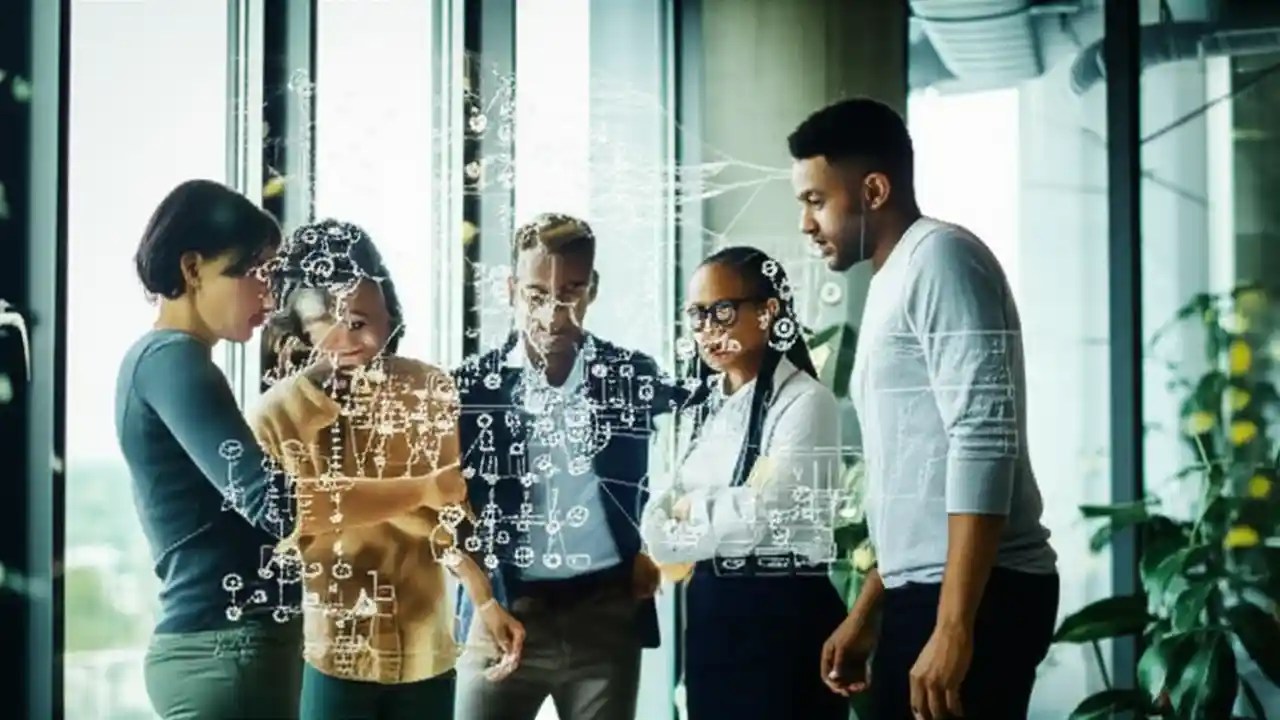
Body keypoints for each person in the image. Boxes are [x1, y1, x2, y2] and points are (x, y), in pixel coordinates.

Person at [789, 97, 1060, 720]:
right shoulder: (893, 278)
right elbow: (917, 477)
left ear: (875, 189)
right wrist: (868, 607)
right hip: (931, 591)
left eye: (815, 200)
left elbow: (983, 437)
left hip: (980, 592)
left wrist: (956, 625)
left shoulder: (941, 257)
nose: (806, 222)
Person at [248, 219, 525, 720]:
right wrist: (415, 495)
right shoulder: (275, 414)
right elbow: (286, 529)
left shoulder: (430, 388)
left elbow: (449, 518)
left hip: (427, 651)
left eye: (361, 321)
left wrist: (485, 602)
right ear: (302, 324)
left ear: (389, 313)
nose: (348, 339)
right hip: (331, 653)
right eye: (328, 323)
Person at [451, 213, 685, 720]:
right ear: (512, 289)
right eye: (536, 294)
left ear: (592, 289)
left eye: (571, 292)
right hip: (504, 610)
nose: (553, 314)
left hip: (606, 612)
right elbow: (443, 507)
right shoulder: (472, 388)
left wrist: (651, 538)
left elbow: (701, 441)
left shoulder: (630, 375)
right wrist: (482, 596)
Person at [115, 179, 304, 718]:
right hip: (226, 650)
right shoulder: (174, 359)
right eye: (253, 275)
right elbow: (273, 505)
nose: (269, 298)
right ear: (192, 268)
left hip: (228, 649)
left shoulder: (165, 360)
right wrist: (407, 492)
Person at [640, 246, 848, 720]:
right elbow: (656, 528)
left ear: (768, 311)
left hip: (784, 616)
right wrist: (709, 511)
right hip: (712, 616)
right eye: (697, 315)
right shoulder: (703, 407)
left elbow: (765, 515)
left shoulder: (805, 402)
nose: (708, 329)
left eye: (723, 311)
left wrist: (691, 507)